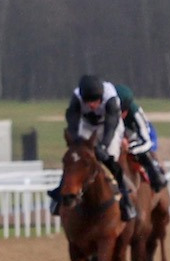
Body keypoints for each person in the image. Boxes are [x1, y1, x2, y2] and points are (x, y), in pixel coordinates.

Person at [50, 74, 137, 221]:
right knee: (75, 158)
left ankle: (126, 201)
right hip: (87, 126)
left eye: (95, 101)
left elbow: (111, 124)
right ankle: (59, 195)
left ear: (101, 97)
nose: (91, 105)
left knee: (108, 158)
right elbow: (72, 122)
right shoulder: (76, 98)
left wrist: (103, 146)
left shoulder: (110, 98)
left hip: (109, 127)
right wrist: (76, 142)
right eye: (88, 101)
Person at [112, 82, 167, 190]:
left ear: (126, 110)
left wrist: (130, 148)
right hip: (120, 135)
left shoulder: (136, 113)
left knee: (144, 154)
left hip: (142, 136)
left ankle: (157, 176)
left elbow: (147, 142)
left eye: (120, 112)